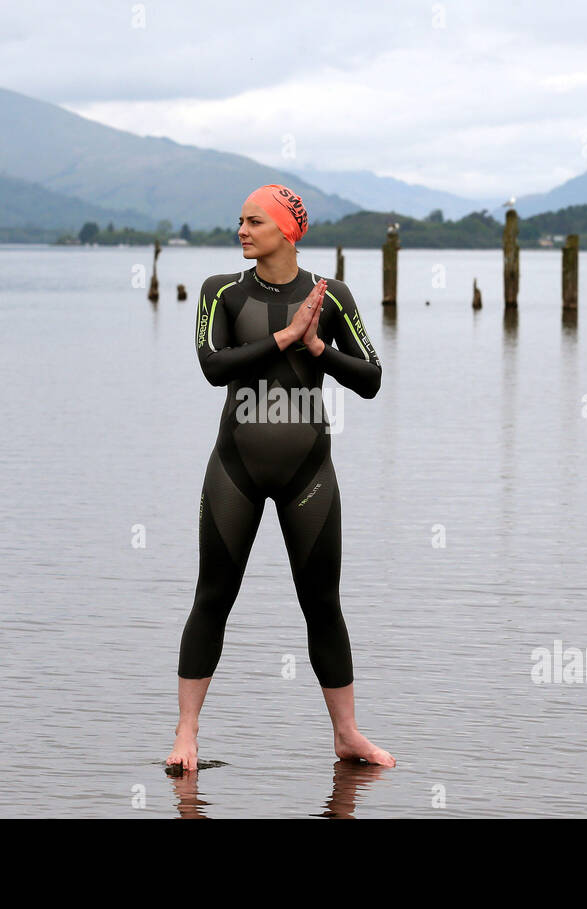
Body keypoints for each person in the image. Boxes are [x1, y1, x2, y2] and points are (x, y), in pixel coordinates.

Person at [166, 184, 395, 772]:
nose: (241, 230)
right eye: (239, 220)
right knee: (212, 598)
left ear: (286, 231)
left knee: (322, 604)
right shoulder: (220, 292)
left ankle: (347, 734)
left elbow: (370, 378)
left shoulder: (332, 296)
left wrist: (316, 346)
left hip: (308, 475)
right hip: (234, 470)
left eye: (254, 221)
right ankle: (186, 735)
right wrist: (283, 339)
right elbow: (212, 367)